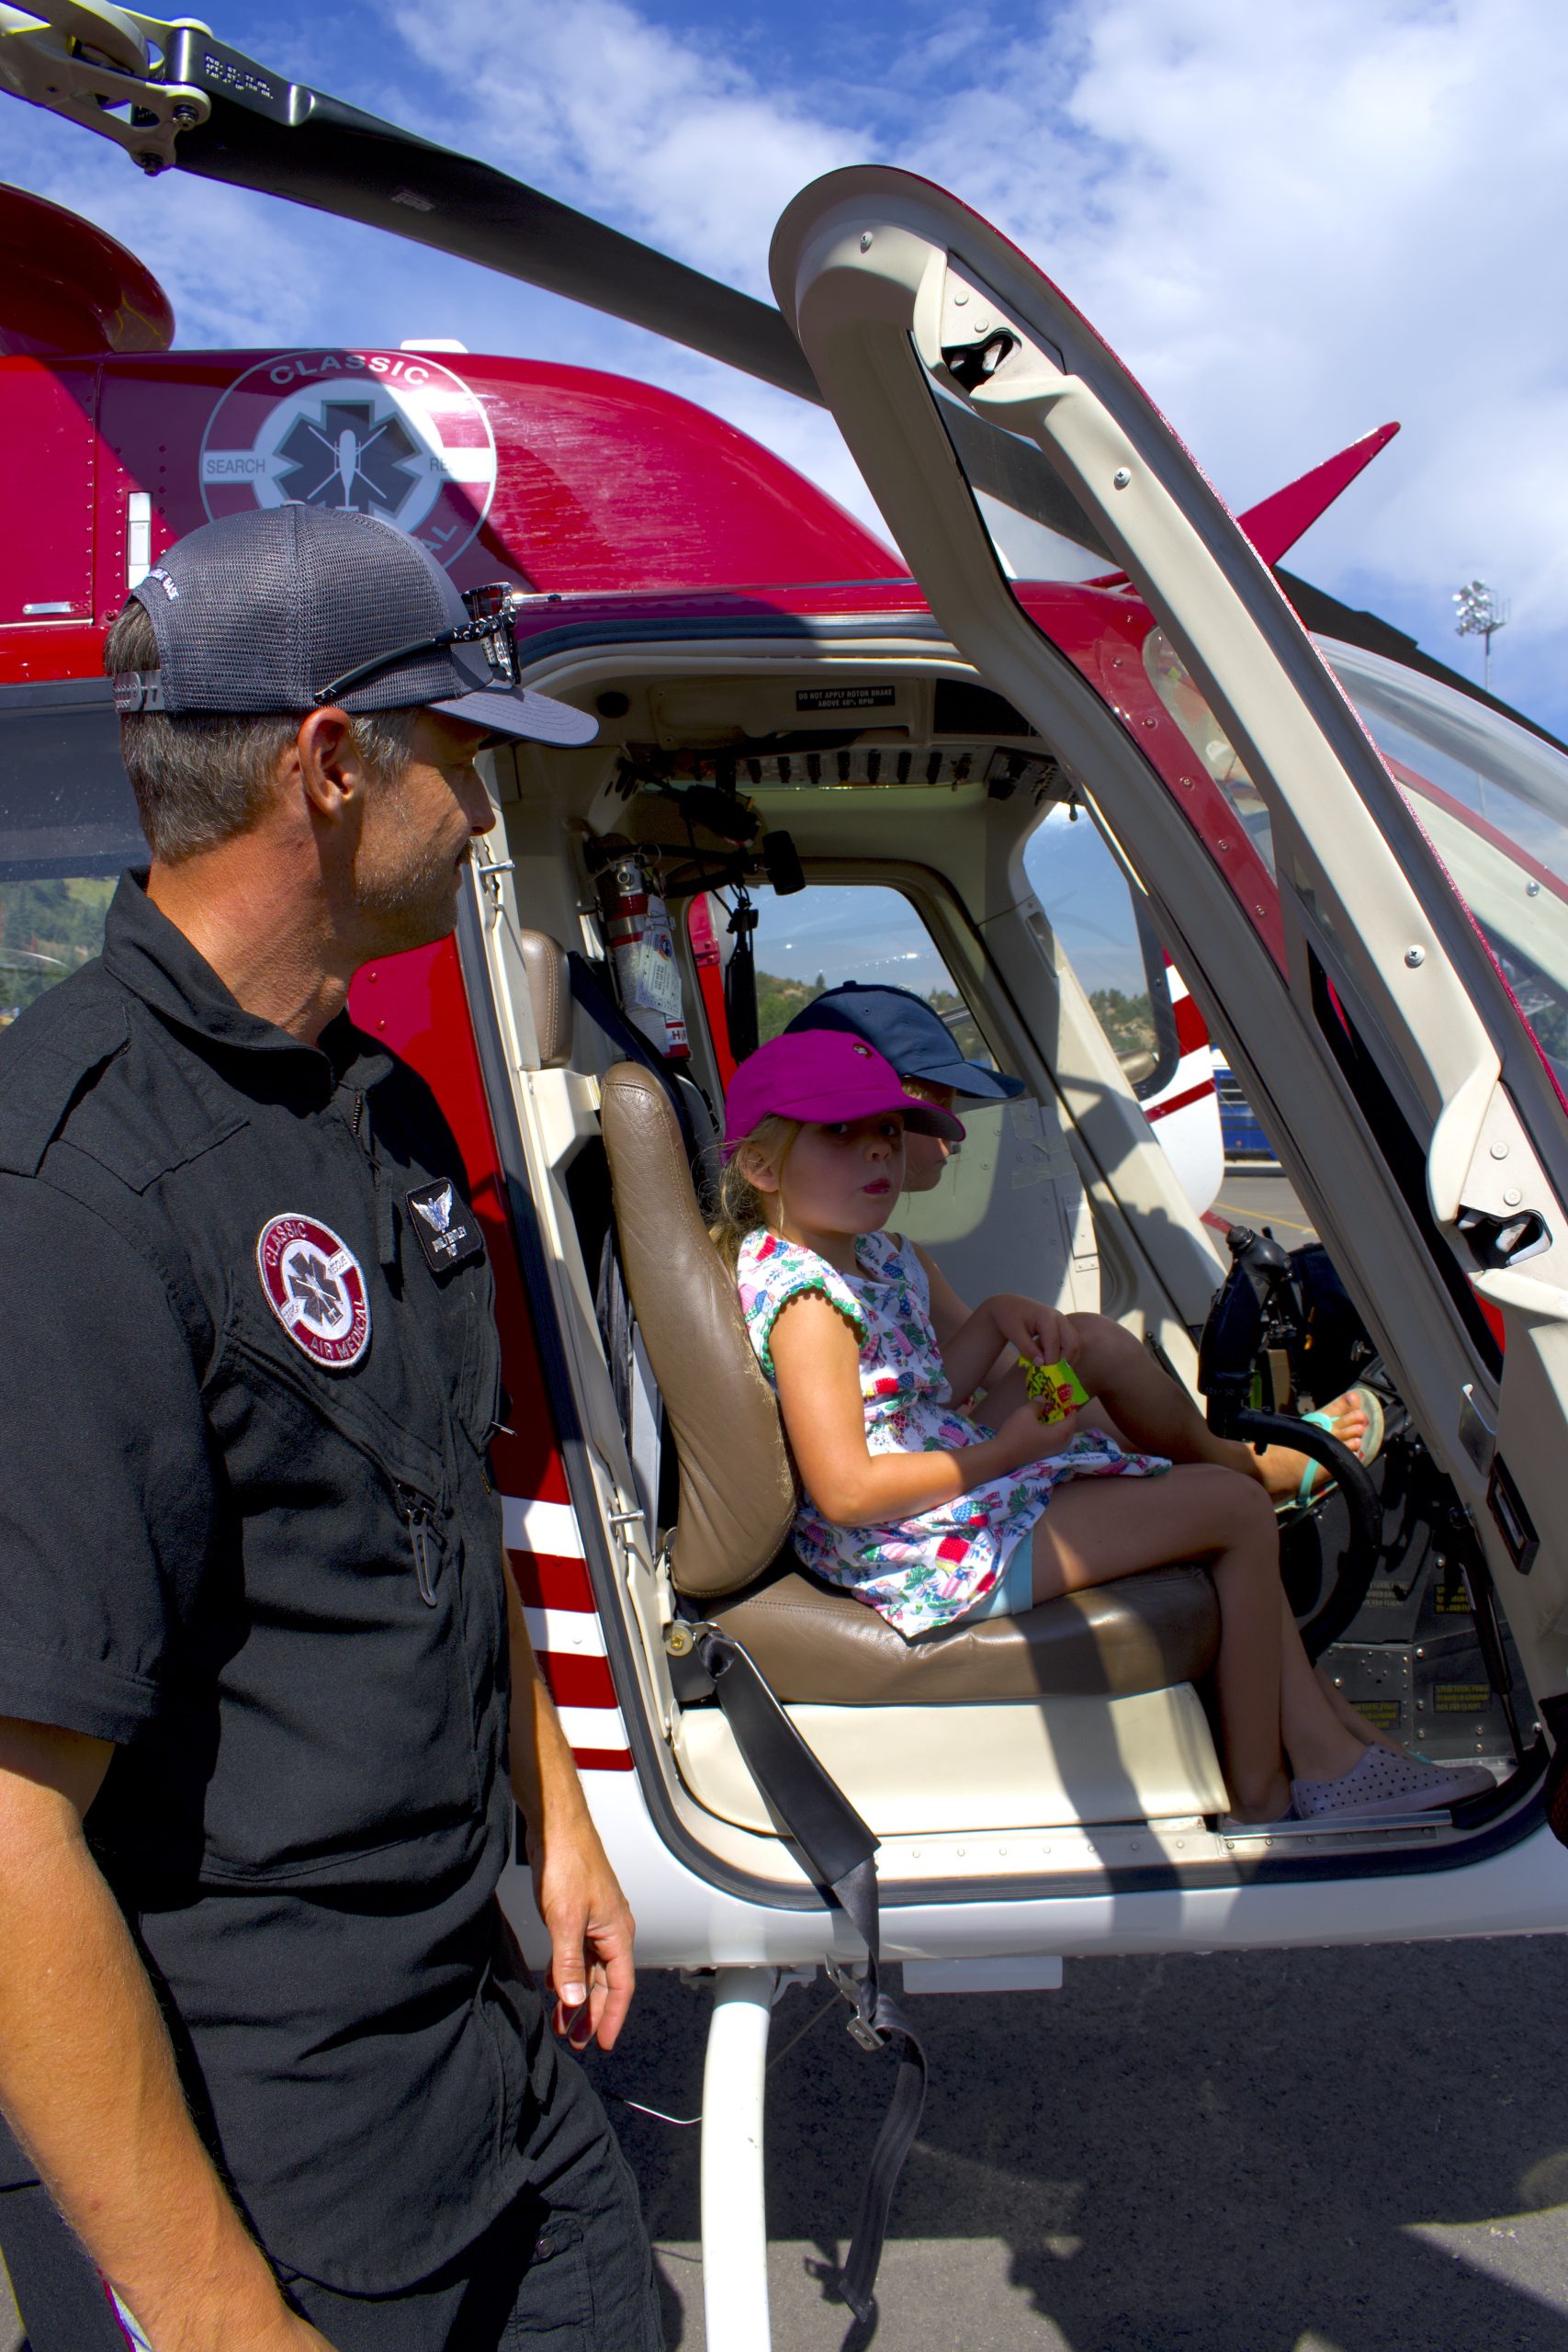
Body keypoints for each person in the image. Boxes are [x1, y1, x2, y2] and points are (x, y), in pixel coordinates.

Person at [0, 506, 661, 2352]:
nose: (482, 805)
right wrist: (221, 2317)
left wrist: (558, 1816)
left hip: (485, 2055)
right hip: (273, 2159)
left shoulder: (377, 1109)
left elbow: (430, 1490)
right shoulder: (69, 1189)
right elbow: (11, 1836)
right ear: (332, 763)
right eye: (457, 751)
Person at [711, 1031, 1494, 1826]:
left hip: (932, 1495)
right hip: (914, 1551)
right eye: (841, 1132)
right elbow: (847, 1492)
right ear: (762, 1168)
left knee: (1101, 1361)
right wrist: (1006, 1453)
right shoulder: (809, 1304)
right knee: (1231, 1512)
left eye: (886, 1129)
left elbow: (918, 1391)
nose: (878, 1149)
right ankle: (1269, 1792)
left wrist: (994, 1317)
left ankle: (1335, 1736)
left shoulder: (870, 1259)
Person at [785, 978, 1383, 1518]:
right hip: (915, 1486)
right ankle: (1253, 1471)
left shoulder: (894, 1256)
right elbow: (852, 1477)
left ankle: (1220, 1458)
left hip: (942, 1438)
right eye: (937, 1110)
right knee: (1087, 1359)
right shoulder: (809, 1291)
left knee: (1085, 1348)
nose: (955, 1139)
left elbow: (1000, 1372)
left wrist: (1082, 1398)